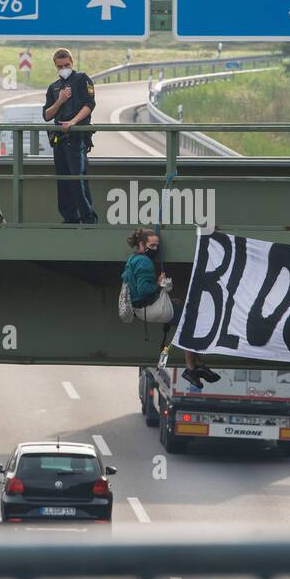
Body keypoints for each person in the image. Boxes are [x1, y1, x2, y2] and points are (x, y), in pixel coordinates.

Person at [122, 227, 219, 391]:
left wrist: (166, 298)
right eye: (151, 246)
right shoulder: (144, 262)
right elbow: (145, 289)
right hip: (151, 309)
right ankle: (191, 367)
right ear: (141, 244)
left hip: (143, 309)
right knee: (191, 322)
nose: (154, 249)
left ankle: (199, 364)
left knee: (183, 310)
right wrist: (160, 284)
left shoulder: (132, 260)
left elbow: (137, 289)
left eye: (156, 246)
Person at [43, 48, 98, 224]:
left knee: (77, 178)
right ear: (55, 67)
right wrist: (60, 101)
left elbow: (90, 104)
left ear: (72, 63)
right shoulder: (53, 88)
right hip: (59, 139)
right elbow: (47, 115)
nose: (64, 68)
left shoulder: (82, 79)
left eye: (66, 65)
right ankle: (69, 219)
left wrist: (73, 122)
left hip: (77, 138)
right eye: (60, 66)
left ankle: (88, 218)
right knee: (63, 180)